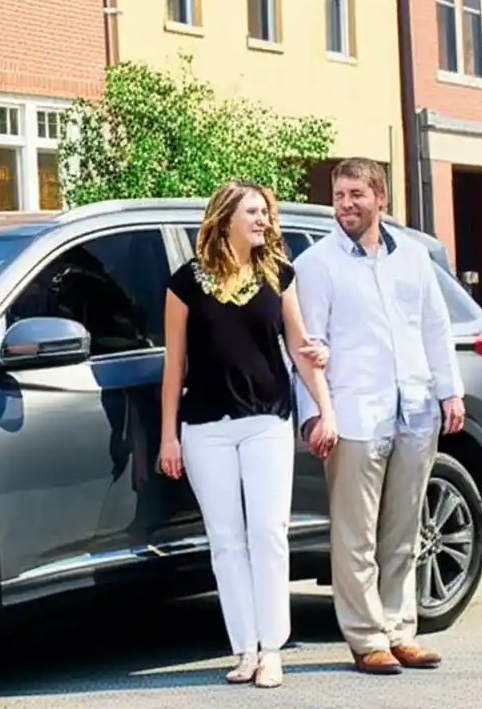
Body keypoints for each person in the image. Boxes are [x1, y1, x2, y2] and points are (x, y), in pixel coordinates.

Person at [159, 179, 338, 689]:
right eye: (254, 212)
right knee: (226, 541)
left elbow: (302, 347)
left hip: (267, 422)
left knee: (267, 533)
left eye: (266, 212)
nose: (263, 220)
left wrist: (325, 409)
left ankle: (273, 648)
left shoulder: (279, 274)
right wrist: (168, 437)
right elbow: (175, 366)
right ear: (225, 218)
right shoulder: (184, 284)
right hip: (205, 429)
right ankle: (243, 648)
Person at [293, 157, 465, 675]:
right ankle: (366, 637)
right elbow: (304, 347)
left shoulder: (412, 259)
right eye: (339, 195)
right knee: (355, 535)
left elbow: (435, 327)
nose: (346, 204)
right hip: (354, 415)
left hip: (414, 410)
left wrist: (450, 393)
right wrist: (315, 415)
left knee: (404, 531)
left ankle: (399, 630)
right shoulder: (316, 265)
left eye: (355, 195)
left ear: (380, 198)